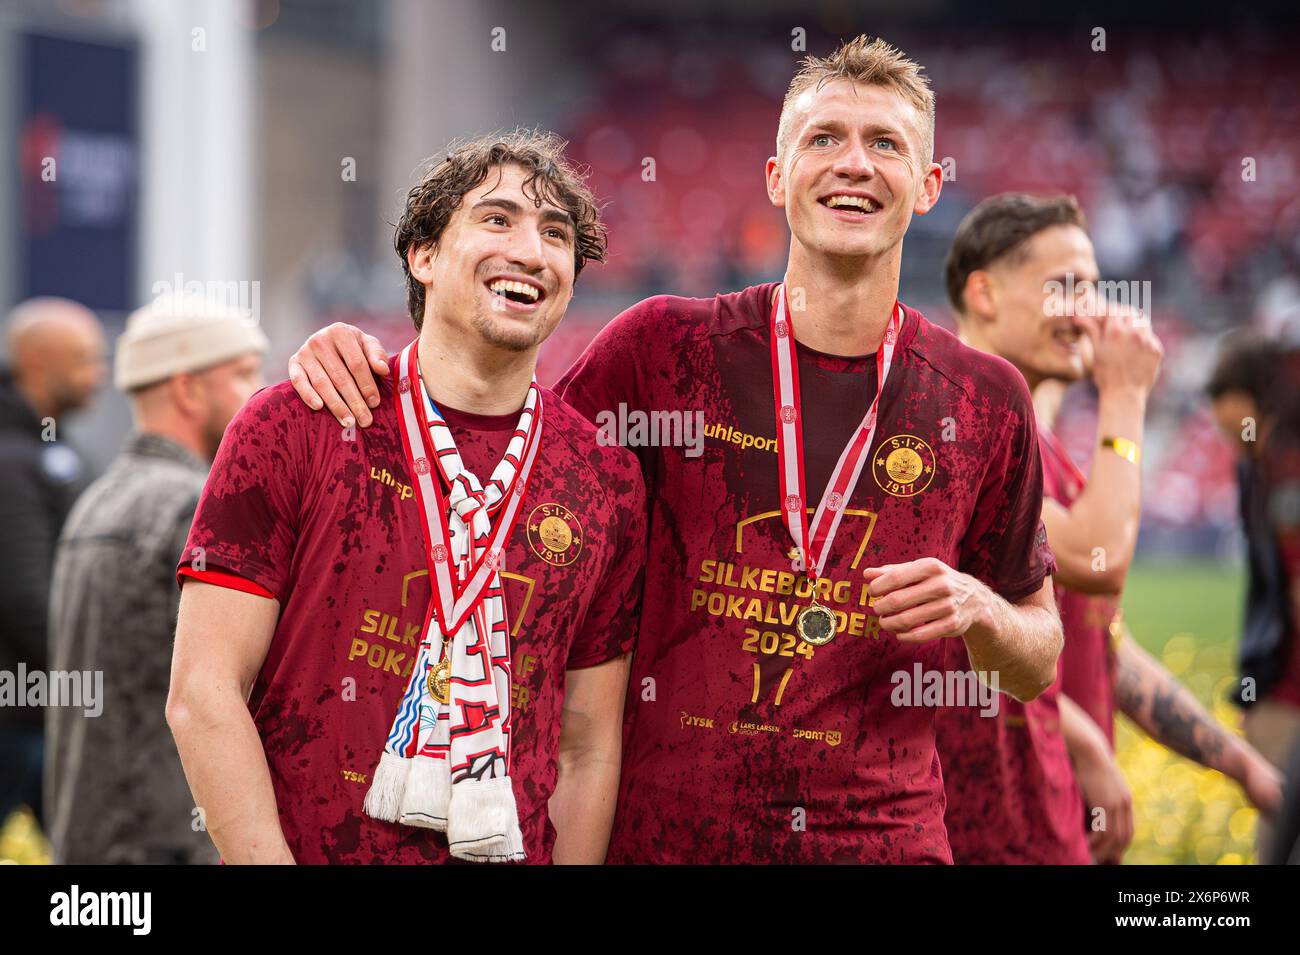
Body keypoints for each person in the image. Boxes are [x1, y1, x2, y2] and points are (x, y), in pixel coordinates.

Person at [288, 37, 1064, 863]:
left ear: (929, 187)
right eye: (824, 139)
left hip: (882, 843)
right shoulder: (659, 348)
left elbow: (1036, 655)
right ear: (776, 176)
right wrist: (370, 366)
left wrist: (982, 610)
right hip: (667, 840)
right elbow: (500, 463)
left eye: (886, 145)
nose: (854, 165)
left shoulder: (984, 399)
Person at [167, 131, 647, 864]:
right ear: (423, 256)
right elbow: (203, 693)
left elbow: (586, 746)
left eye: (556, 235)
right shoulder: (297, 423)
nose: (531, 249)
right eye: (497, 219)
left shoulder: (605, 477)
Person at [950, 193, 1281, 863]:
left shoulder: (1050, 457)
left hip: (1050, 821)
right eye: (1065, 286)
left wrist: (1242, 766)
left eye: (1095, 290)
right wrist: (1126, 396)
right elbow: (1096, 559)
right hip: (982, 827)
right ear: (984, 294)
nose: (1091, 312)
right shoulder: (960, 429)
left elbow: (1103, 640)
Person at [45, 297, 268, 864]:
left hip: (91, 838)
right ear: (187, 390)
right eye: (243, 374)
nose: (261, 395)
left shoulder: (96, 500)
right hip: (163, 842)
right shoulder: (191, 509)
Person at [0, 297, 105, 829]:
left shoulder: (51, 448)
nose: (100, 374)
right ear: (37, 363)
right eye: (85, 359)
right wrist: (90, 684)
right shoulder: (14, 460)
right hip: (18, 720)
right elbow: (25, 596)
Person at [1208, 335, 1300, 854]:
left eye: (1250, 430)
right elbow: (1266, 590)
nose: (1246, 447)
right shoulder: (1256, 475)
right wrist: (1254, 684)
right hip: (1281, 694)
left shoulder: (1284, 468)